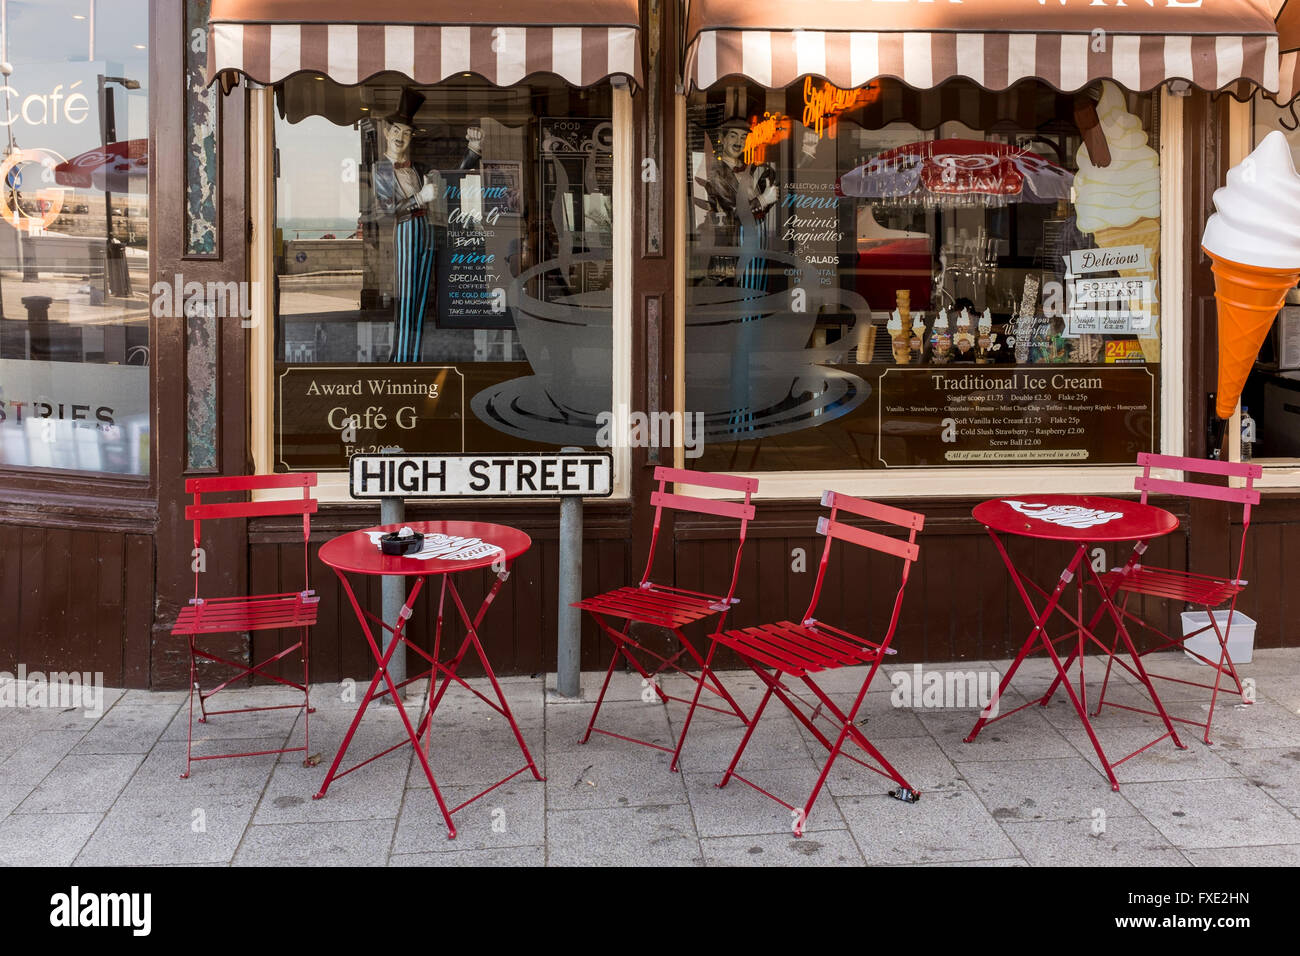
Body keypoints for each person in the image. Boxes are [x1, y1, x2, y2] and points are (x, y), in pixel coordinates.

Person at [372, 88, 436, 363]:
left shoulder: (416, 168)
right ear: (386, 133)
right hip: (407, 230)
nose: (400, 137)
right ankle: (400, 359)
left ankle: (414, 357)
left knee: (421, 299)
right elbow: (387, 211)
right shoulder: (381, 169)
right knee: (407, 298)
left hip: (426, 231)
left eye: (406, 133)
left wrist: (472, 154)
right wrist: (419, 197)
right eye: (396, 131)